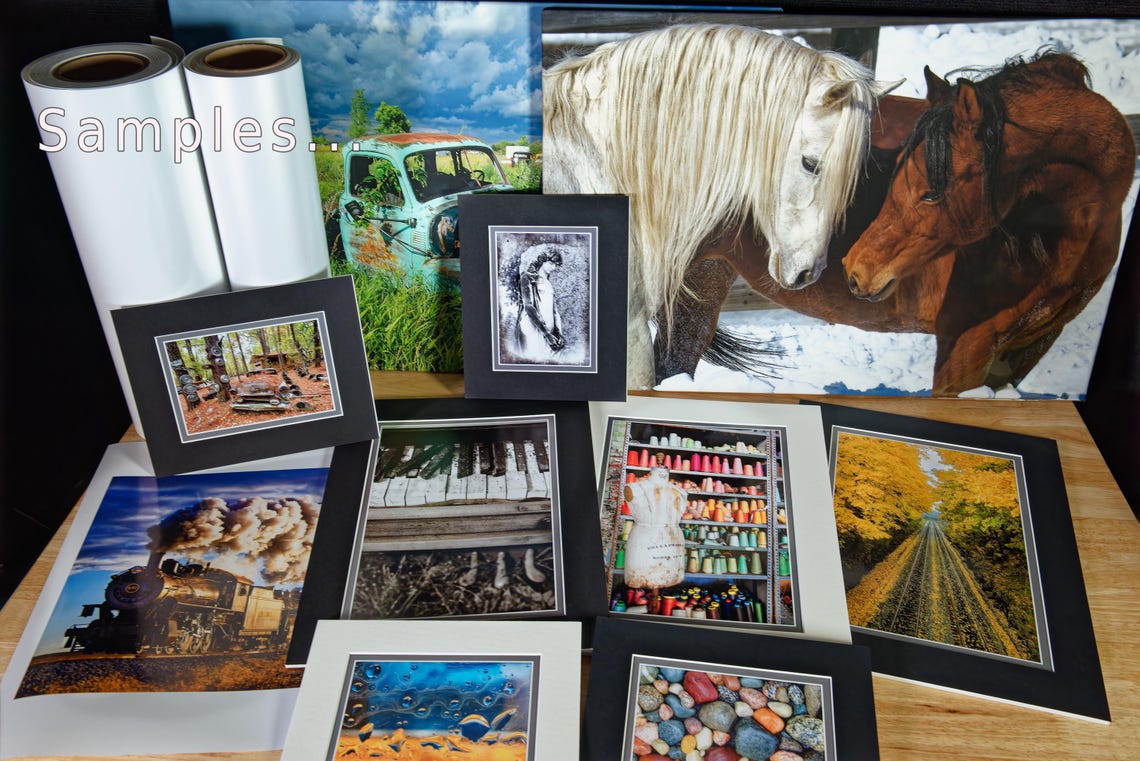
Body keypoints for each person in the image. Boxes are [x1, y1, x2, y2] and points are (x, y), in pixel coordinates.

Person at [622, 466, 687, 589]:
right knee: (641, 576)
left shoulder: (680, 491)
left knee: (669, 576)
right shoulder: (635, 488)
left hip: (672, 541)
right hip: (645, 541)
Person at [513, 245, 565, 360]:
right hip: (532, 330)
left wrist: (559, 333)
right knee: (531, 361)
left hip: (549, 334)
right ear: (543, 260)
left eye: (556, 265)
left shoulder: (548, 284)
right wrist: (546, 334)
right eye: (551, 263)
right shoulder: (527, 277)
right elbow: (529, 306)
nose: (554, 267)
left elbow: (554, 311)